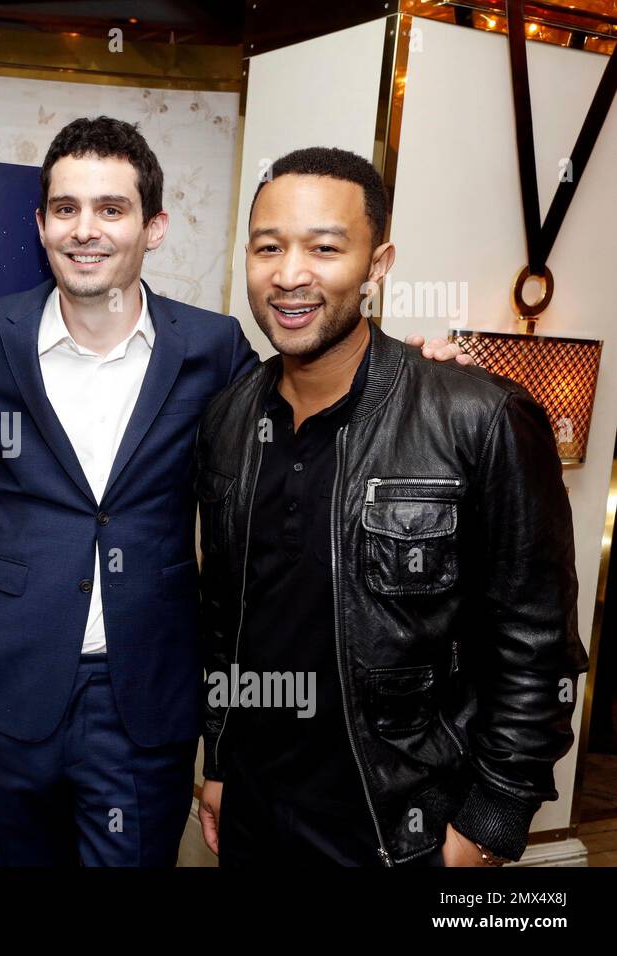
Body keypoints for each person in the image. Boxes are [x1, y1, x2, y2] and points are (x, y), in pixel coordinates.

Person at [0, 118, 467, 867]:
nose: (85, 230)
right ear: (40, 225)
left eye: (111, 208)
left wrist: (405, 378)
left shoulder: (213, 347)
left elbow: (306, 409)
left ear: (154, 226)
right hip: (5, 676)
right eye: (65, 209)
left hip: (147, 691)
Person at [195, 146, 590, 867]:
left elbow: (537, 649)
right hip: (255, 813)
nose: (290, 275)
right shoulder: (227, 422)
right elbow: (226, 624)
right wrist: (219, 764)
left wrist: (491, 822)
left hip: (399, 831)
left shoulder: (478, 418)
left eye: (324, 248)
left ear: (378, 264)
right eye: (268, 248)